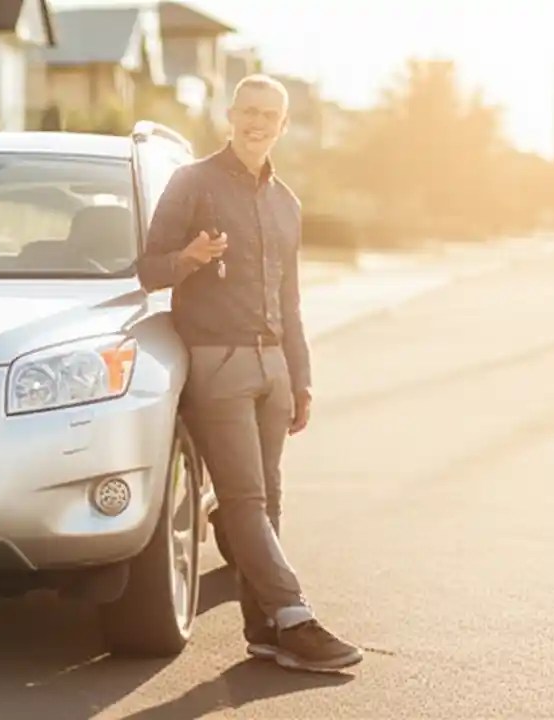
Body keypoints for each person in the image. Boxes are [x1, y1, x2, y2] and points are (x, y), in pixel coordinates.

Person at [138, 74, 363, 672]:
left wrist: (302, 377)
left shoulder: (286, 202)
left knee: (271, 498)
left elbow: (290, 301)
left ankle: (262, 630)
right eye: (249, 111)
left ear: (283, 126)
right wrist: (187, 259)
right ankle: (294, 616)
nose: (257, 122)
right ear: (229, 115)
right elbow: (146, 269)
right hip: (218, 361)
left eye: (270, 114)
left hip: (274, 367)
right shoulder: (192, 183)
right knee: (243, 498)